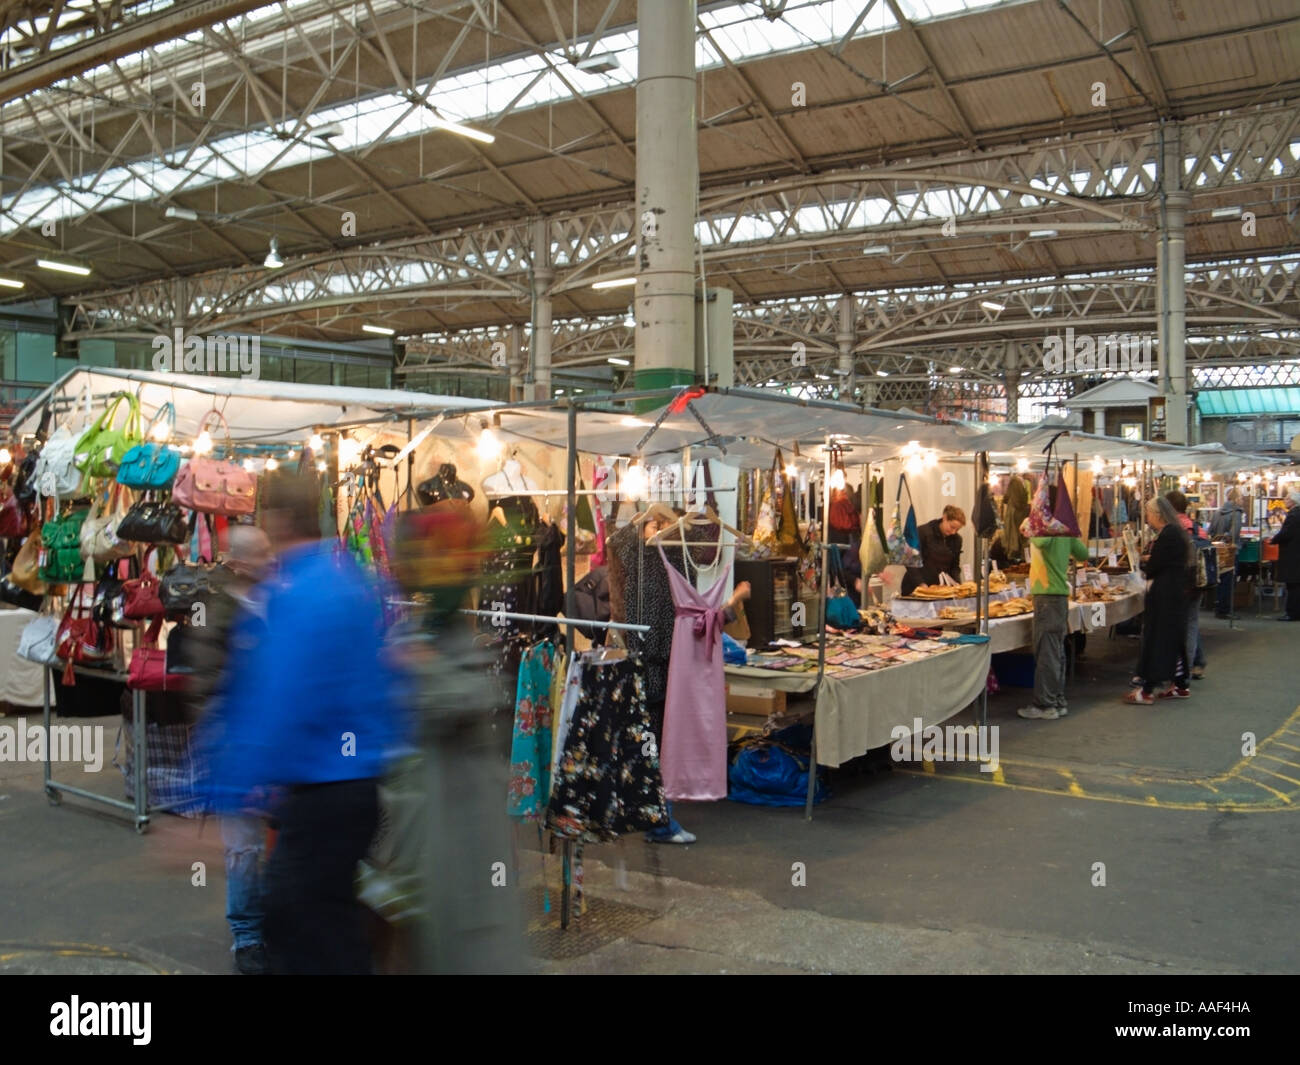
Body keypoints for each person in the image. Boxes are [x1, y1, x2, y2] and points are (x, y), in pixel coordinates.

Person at [198, 474, 408, 974]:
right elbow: (380, 689)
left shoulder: (296, 595)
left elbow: (276, 698)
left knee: (300, 925)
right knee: (326, 920)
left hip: (322, 794)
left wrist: (227, 792)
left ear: (275, 522)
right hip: (358, 787)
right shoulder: (353, 581)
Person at [180, 525, 273, 975]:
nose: (267, 560)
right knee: (244, 845)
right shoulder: (214, 611)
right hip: (236, 741)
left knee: (263, 840)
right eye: (258, 554)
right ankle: (247, 936)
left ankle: (263, 927)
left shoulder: (275, 602)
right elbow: (206, 682)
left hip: (271, 739)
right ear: (237, 562)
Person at [1017, 519, 1088, 721]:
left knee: (1047, 651)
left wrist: (1032, 523)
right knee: (1057, 651)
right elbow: (1083, 554)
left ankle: (1044, 704)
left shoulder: (1044, 530)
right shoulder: (1065, 531)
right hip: (1059, 597)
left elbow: (1038, 541)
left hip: (1047, 597)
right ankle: (1057, 700)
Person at [1125, 497, 1193, 704]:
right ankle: (1179, 685)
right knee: (1173, 639)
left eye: (1149, 514)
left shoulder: (1169, 534)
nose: (1147, 519)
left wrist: (1147, 564)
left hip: (1165, 593)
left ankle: (1147, 690)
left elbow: (1156, 565)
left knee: (1159, 640)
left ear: (1157, 514)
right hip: (1175, 591)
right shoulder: (1176, 532)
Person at [1166, 490, 1207, 680]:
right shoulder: (1197, 528)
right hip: (1198, 583)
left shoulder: (1173, 528)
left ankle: (1177, 670)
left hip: (1178, 583)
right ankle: (1190, 668)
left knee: (1174, 625)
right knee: (1191, 624)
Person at [901, 505, 967, 594]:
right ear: (945, 518)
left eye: (957, 529)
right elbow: (910, 562)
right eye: (952, 527)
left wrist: (957, 584)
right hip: (915, 587)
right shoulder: (922, 532)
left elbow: (954, 566)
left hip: (940, 588)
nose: (953, 532)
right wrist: (921, 584)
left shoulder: (957, 540)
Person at [1210, 487, 1245, 618]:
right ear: (1236, 499)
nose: (1242, 500)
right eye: (1241, 498)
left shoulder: (1218, 512)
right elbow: (1234, 534)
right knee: (1229, 581)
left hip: (1217, 550)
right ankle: (1225, 609)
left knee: (1221, 580)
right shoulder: (1236, 513)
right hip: (1230, 551)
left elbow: (1211, 531)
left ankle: (1219, 607)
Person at [1271, 491, 1300, 621]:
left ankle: (1292, 613)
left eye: (1287, 499)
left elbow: (1286, 533)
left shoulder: (1294, 515)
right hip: (1295, 554)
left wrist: (1274, 539)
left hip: (1292, 555)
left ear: (1294, 501)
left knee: (1293, 585)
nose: (1284, 500)